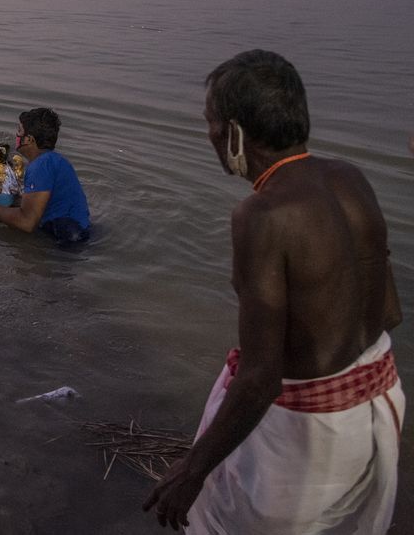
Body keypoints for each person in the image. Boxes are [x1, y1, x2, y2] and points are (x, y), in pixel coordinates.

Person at [143, 50, 404, 533]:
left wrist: (193, 469)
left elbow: (261, 377)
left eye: (211, 123)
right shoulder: (350, 176)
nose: (209, 136)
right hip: (377, 403)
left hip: (309, 441)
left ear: (236, 133)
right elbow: (388, 310)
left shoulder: (260, 216)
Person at [0, 107, 90, 245]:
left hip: (67, 237)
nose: (16, 135)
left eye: (19, 131)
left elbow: (27, 223)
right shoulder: (54, 160)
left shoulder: (40, 166)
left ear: (29, 139)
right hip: (75, 231)